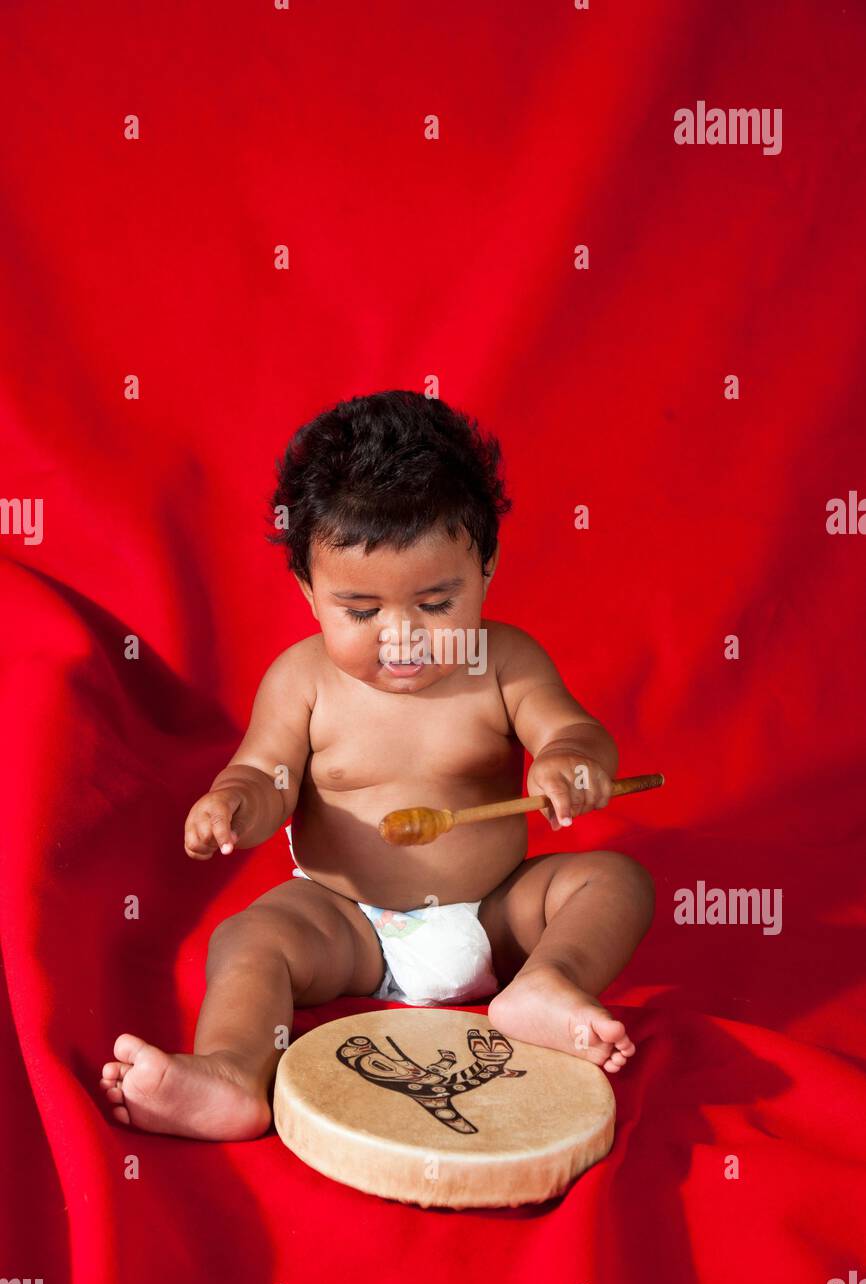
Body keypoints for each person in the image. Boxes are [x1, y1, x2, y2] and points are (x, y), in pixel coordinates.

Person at [101, 390, 655, 1139]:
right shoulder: (302, 681)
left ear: (486, 565)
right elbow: (266, 775)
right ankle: (232, 1071)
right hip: (346, 924)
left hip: (493, 918)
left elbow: (576, 734)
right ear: (309, 591)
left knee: (614, 879)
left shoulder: (502, 662)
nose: (402, 637)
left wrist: (571, 764)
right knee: (249, 938)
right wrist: (234, 804)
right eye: (361, 612)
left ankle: (548, 986)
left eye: (435, 603)